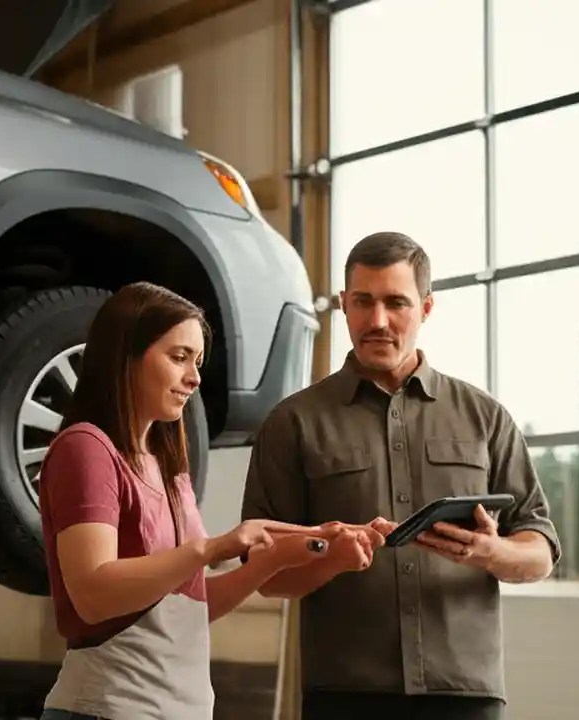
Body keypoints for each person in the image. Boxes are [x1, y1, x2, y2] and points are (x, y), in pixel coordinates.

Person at [240, 232, 561, 720]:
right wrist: (331, 558)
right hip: (344, 693)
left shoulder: (485, 418)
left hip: (465, 693)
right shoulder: (293, 423)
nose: (378, 321)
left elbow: (540, 554)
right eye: (363, 302)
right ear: (343, 305)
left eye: (397, 303)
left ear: (426, 308)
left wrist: (490, 552)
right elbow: (263, 575)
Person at [36, 281, 342, 720]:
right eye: (179, 357)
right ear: (125, 354)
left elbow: (185, 609)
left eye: (197, 361)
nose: (195, 377)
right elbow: (93, 595)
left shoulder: (168, 468)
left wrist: (272, 561)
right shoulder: (85, 448)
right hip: (106, 709)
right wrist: (212, 548)